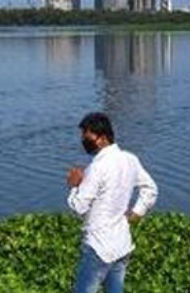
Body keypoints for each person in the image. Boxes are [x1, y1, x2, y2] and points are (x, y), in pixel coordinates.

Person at [66, 112, 158, 293]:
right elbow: (150, 189)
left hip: (98, 246)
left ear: (102, 138)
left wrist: (74, 186)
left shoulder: (97, 168)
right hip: (122, 244)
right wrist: (137, 213)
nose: (83, 139)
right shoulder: (130, 159)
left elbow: (78, 207)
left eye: (86, 135)